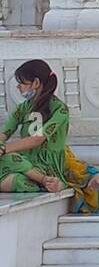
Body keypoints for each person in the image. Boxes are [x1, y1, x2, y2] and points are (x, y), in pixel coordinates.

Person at [0, 60, 68, 194]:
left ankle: (44, 180)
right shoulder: (23, 108)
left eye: (22, 83)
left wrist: (4, 148)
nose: (18, 87)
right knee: (8, 162)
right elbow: (5, 132)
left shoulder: (60, 109)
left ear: (36, 83)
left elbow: (37, 139)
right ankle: (40, 182)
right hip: (23, 160)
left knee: (9, 161)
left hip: (45, 162)